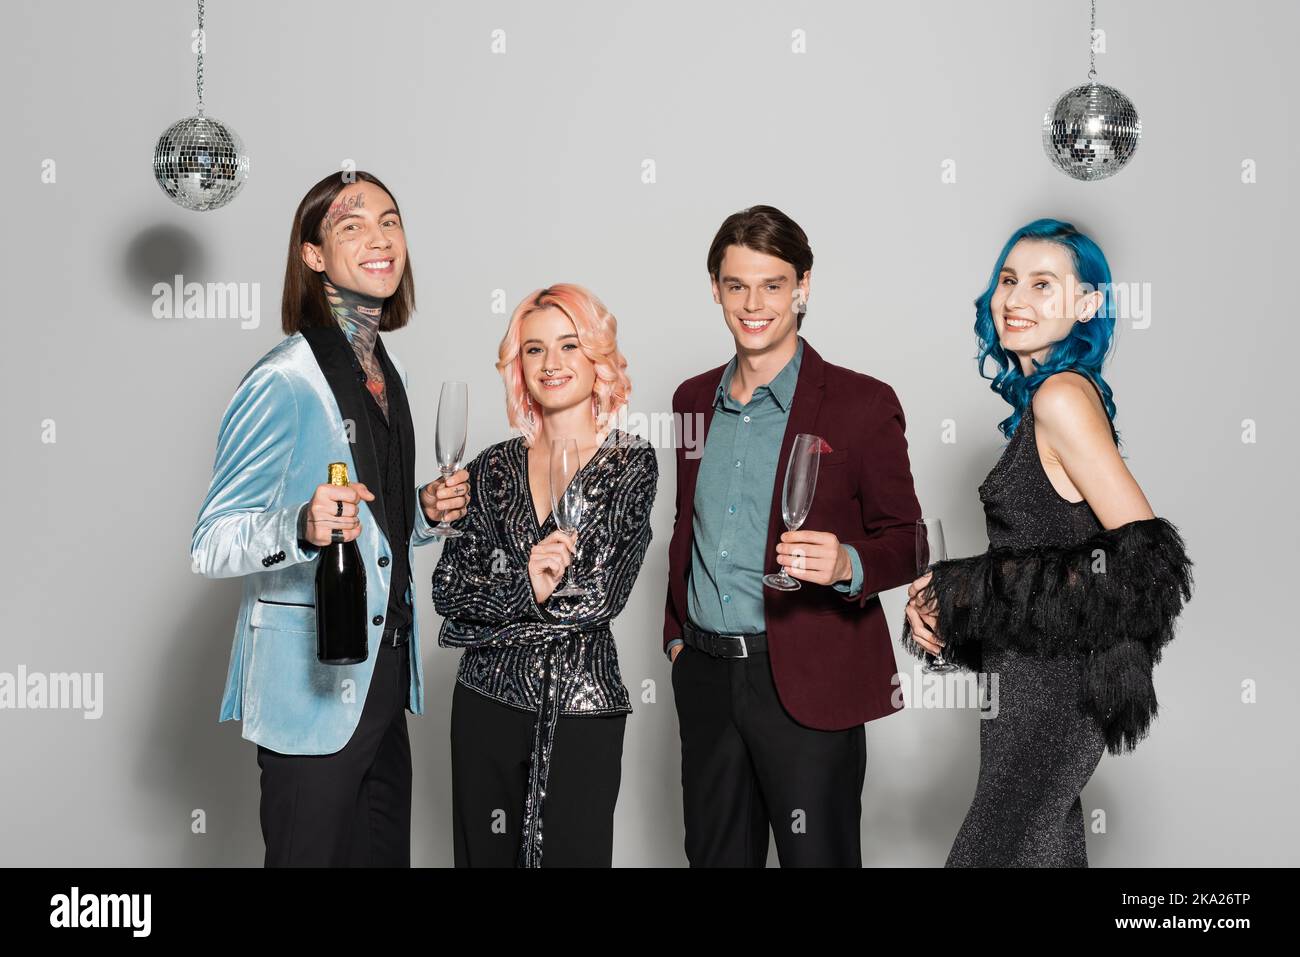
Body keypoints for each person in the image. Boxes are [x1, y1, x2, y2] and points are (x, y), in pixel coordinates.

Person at [190, 170, 470, 866]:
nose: (379, 238)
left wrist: (424, 519)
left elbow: (372, 532)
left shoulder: (383, 367)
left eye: (390, 221)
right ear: (313, 255)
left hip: (382, 681)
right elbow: (211, 540)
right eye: (352, 226)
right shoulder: (284, 377)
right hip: (310, 695)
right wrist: (300, 525)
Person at [901, 218, 1194, 867]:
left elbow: (1149, 563)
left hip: (1055, 699)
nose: (1015, 299)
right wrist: (958, 607)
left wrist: (967, 589)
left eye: (1042, 283)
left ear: (1086, 303)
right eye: (1009, 280)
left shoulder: (1062, 397)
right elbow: (1052, 570)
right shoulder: (1049, 400)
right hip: (1032, 688)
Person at [663, 205, 922, 867]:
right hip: (707, 682)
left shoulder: (861, 404)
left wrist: (847, 563)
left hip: (808, 686)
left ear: (803, 287)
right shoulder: (691, 400)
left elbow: (910, 541)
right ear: (715, 289)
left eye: (773, 285)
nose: (754, 303)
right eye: (737, 284)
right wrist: (675, 640)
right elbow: (684, 522)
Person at [433, 283, 657, 867]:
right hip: (484, 705)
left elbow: (596, 596)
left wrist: (486, 619)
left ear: (597, 357)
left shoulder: (630, 463)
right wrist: (527, 586)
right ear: (518, 366)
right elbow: (448, 590)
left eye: (569, 345)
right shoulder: (489, 467)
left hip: (582, 709)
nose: (552, 364)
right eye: (534, 350)